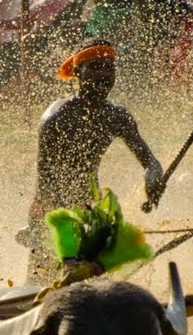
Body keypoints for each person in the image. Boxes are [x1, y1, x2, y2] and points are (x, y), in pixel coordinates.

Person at [21, 40, 164, 282]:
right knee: (43, 282)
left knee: (94, 281)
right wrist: (68, 225)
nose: (104, 75)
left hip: (89, 204)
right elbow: (46, 181)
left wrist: (154, 174)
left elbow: (150, 161)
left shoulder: (116, 116)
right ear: (78, 73)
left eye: (109, 68)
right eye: (96, 67)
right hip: (51, 209)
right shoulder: (57, 118)